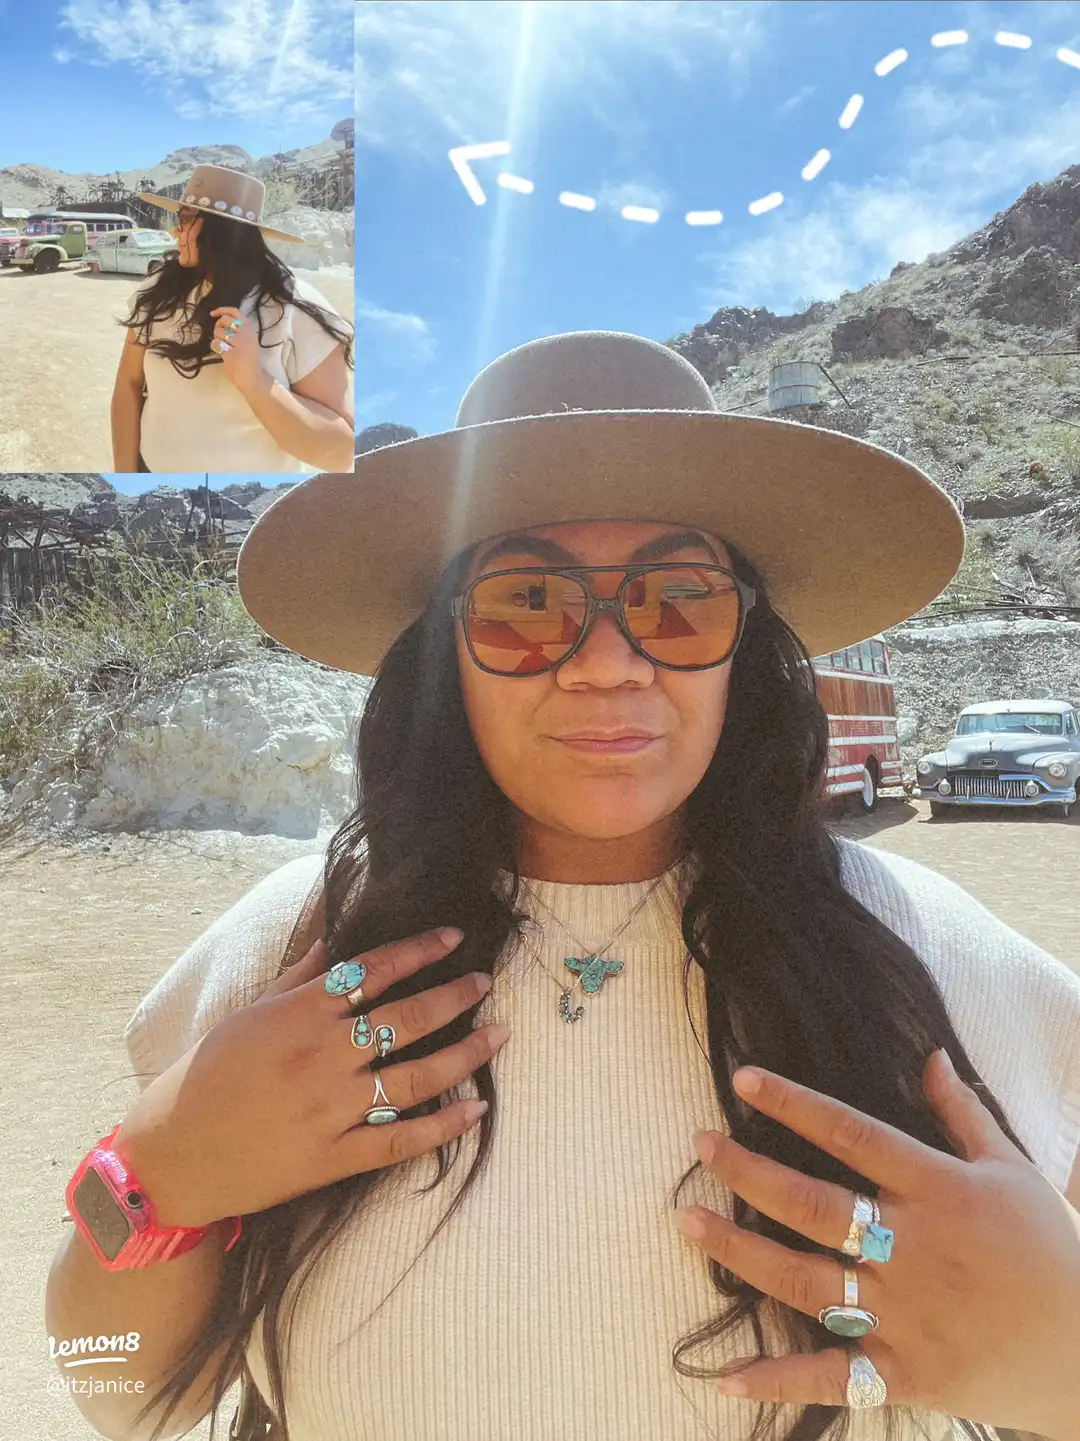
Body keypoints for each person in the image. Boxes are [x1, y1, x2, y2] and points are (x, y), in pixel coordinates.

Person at [47, 332, 1080, 1441]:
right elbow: (119, 1396)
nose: (606, 660)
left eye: (678, 601)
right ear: (445, 655)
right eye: (526, 603)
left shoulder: (938, 957)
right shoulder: (297, 947)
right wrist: (150, 1179)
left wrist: (1058, 1366)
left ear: (747, 645)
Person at [110, 164, 354, 474]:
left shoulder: (295, 308)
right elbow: (128, 386)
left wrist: (253, 380)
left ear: (219, 231)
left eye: (184, 220)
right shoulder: (156, 291)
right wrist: (128, 474)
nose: (175, 231)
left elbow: (341, 453)